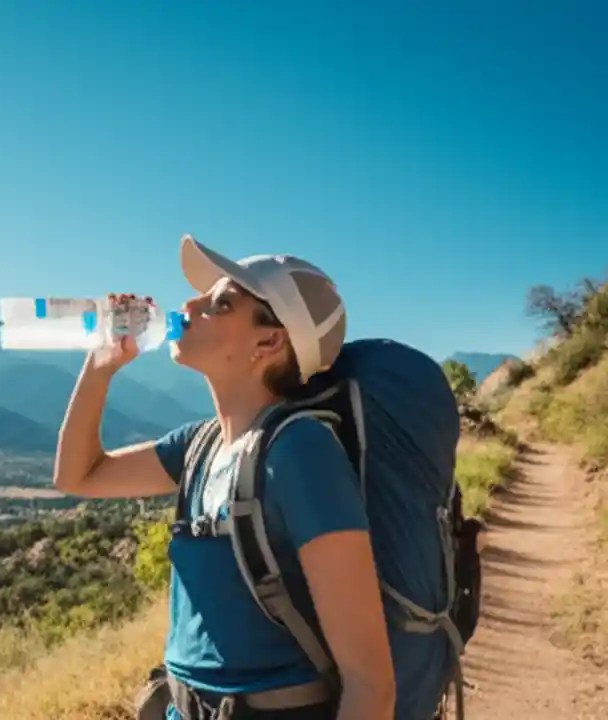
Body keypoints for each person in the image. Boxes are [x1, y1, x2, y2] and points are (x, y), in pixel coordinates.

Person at [53, 235, 398, 720]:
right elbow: (78, 475)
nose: (189, 304)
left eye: (221, 302)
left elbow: (370, 683)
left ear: (269, 340)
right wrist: (100, 365)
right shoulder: (199, 445)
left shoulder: (301, 452)